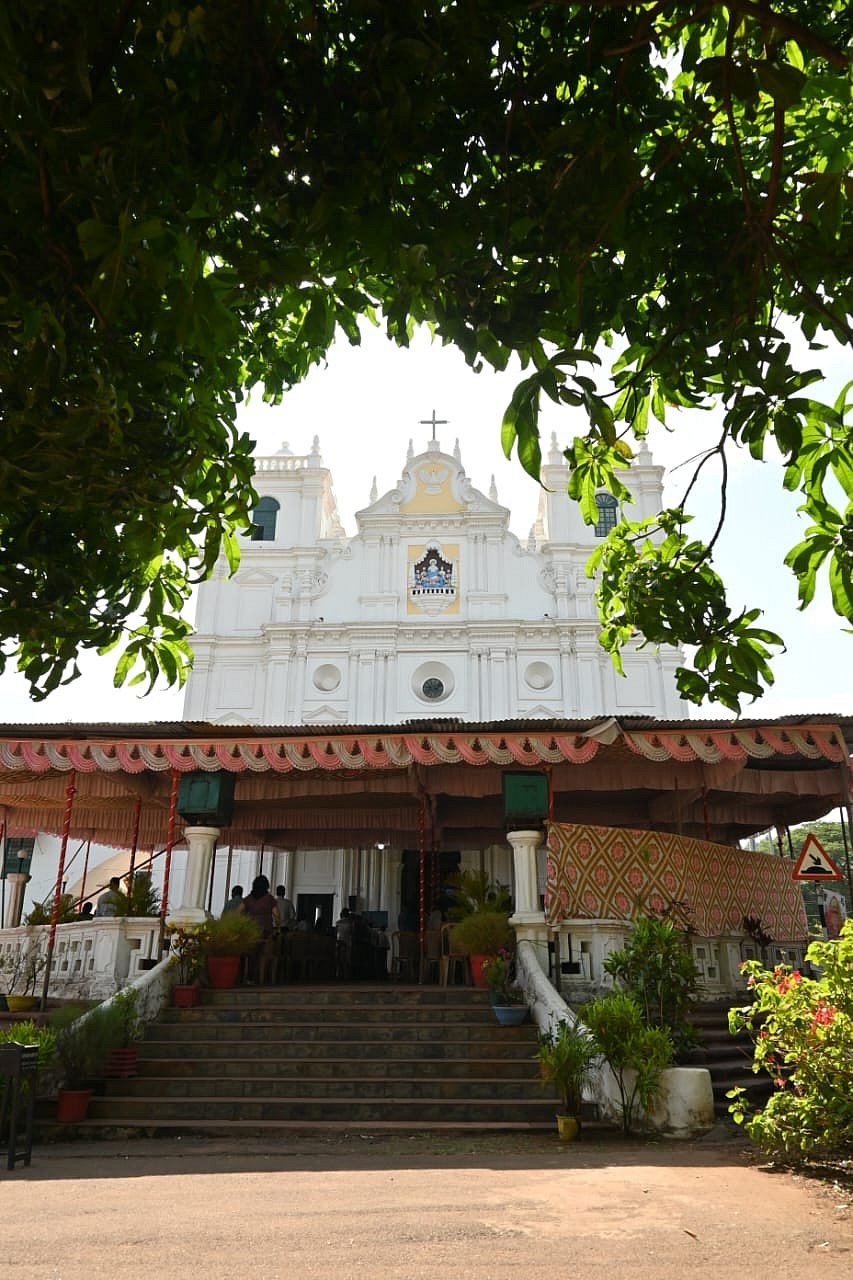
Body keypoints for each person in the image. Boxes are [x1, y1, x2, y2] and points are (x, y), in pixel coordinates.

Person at [241, 875, 280, 983]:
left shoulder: (248, 899)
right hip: (265, 930)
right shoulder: (269, 899)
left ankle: (250, 977)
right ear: (266, 886)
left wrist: (244, 922)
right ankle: (261, 978)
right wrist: (277, 927)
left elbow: (238, 911)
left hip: (251, 929)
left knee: (251, 952)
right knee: (263, 951)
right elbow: (276, 914)